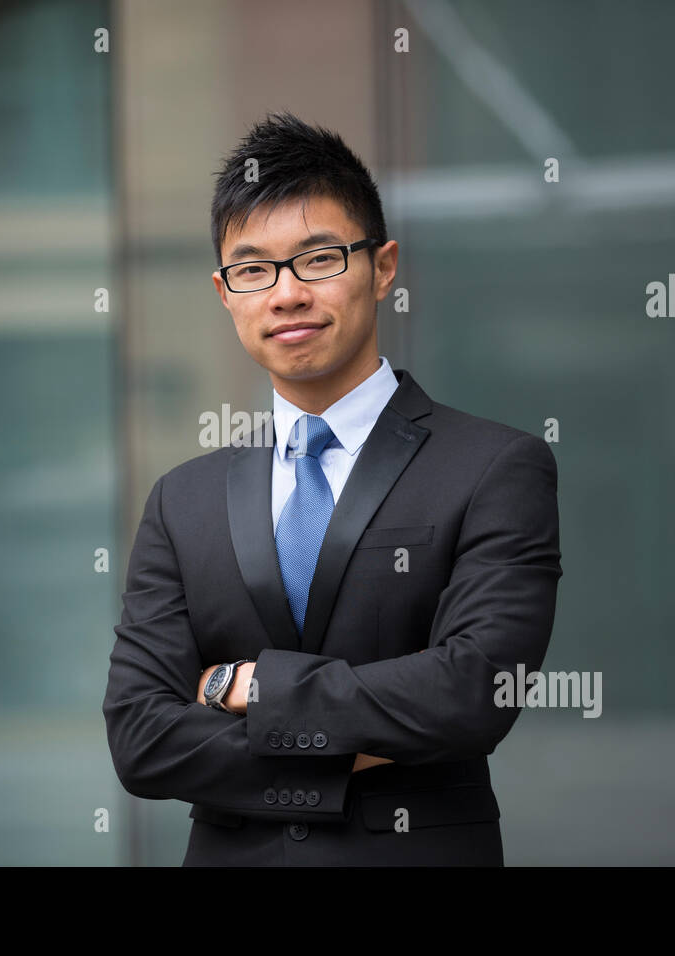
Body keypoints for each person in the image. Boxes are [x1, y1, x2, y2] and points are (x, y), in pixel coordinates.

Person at [102, 112, 562, 865]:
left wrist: (241, 687)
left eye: (318, 259)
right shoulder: (181, 500)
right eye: (253, 269)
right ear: (225, 292)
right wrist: (350, 749)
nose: (285, 294)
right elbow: (141, 739)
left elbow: (476, 690)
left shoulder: (492, 466)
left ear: (382, 268)